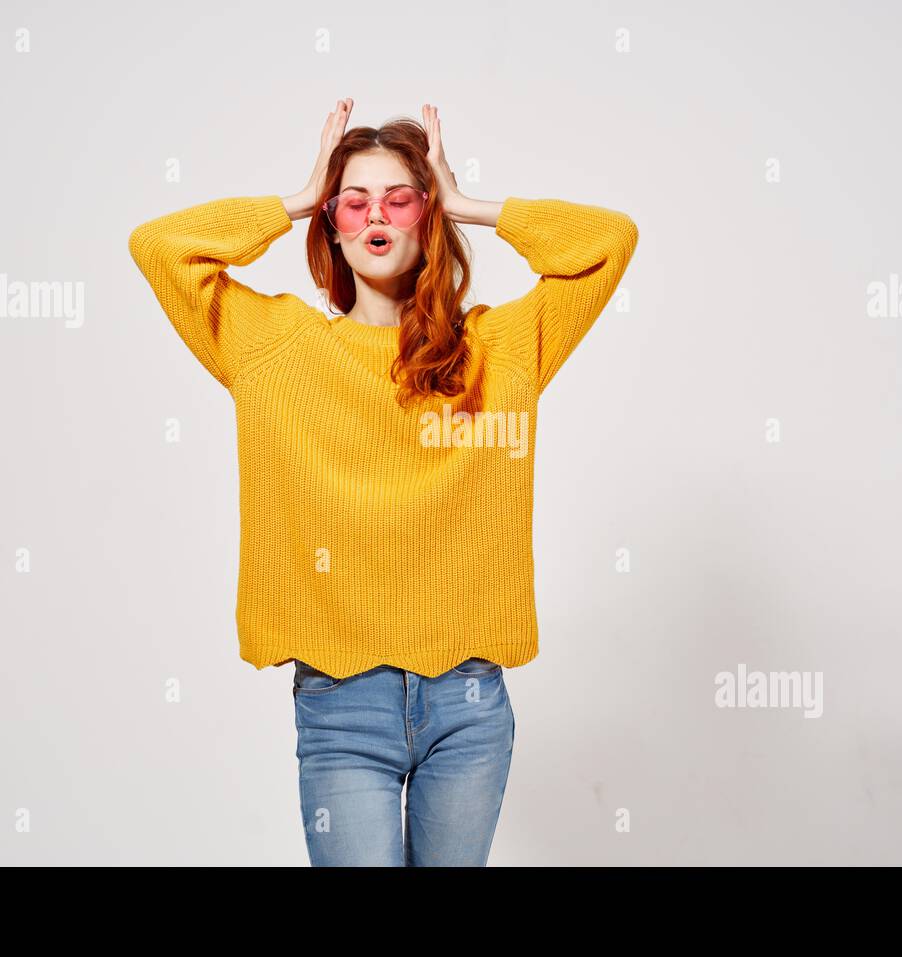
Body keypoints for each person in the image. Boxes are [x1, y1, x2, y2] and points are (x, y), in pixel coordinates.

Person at [128, 99, 638, 865]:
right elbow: (160, 247)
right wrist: (296, 198)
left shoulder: (498, 350)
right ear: (334, 223)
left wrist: (467, 203)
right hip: (342, 705)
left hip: (468, 705)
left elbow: (609, 243)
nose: (377, 215)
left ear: (424, 218)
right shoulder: (278, 348)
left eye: (400, 199)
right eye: (355, 200)